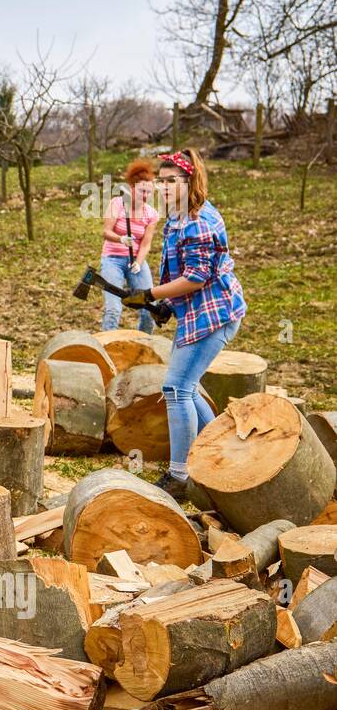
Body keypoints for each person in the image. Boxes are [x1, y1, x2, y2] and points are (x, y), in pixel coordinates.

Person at [121, 149, 247, 500]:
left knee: (176, 388)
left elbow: (196, 276)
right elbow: (181, 276)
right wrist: (163, 303)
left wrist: (150, 293)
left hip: (215, 315)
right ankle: (221, 452)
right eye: (160, 181)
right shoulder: (177, 218)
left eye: (171, 182)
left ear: (189, 182)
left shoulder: (199, 222)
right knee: (186, 388)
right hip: (195, 314)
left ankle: (180, 476)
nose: (163, 187)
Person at [99, 159, 159, 333]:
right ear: (132, 187)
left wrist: (139, 263)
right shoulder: (117, 204)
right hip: (112, 259)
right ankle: (107, 347)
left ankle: (143, 344)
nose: (145, 195)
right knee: (113, 309)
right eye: (142, 191)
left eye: (149, 192)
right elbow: (106, 232)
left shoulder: (152, 214)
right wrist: (121, 240)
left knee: (149, 307)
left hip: (135, 261)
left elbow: (146, 244)